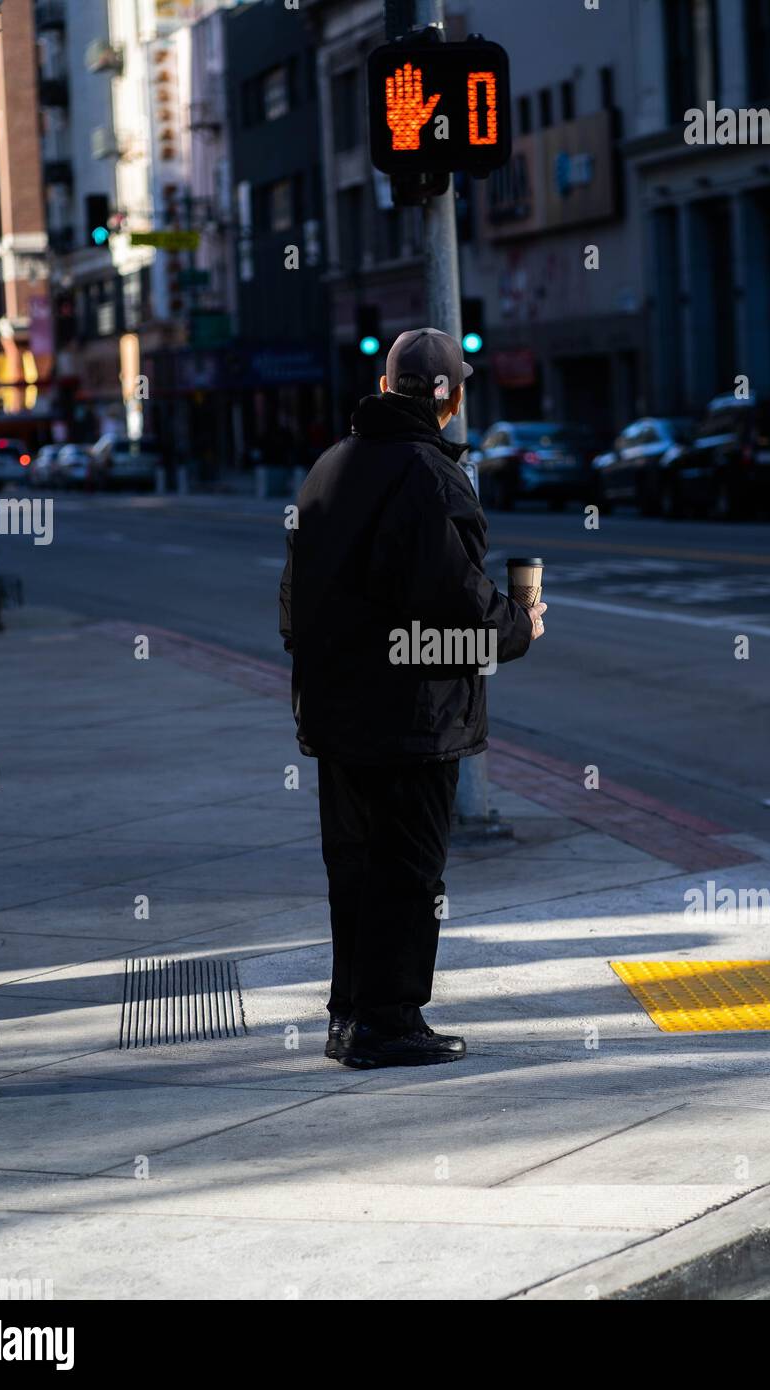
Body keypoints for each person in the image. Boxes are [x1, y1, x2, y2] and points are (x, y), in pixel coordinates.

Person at [279, 327, 546, 1069]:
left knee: (355, 867)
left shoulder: (328, 467)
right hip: (413, 719)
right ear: (447, 396)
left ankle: (350, 1017)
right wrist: (519, 624)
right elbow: (459, 604)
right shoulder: (429, 476)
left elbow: (292, 607)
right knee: (409, 868)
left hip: (336, 714)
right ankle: (389, 1020)